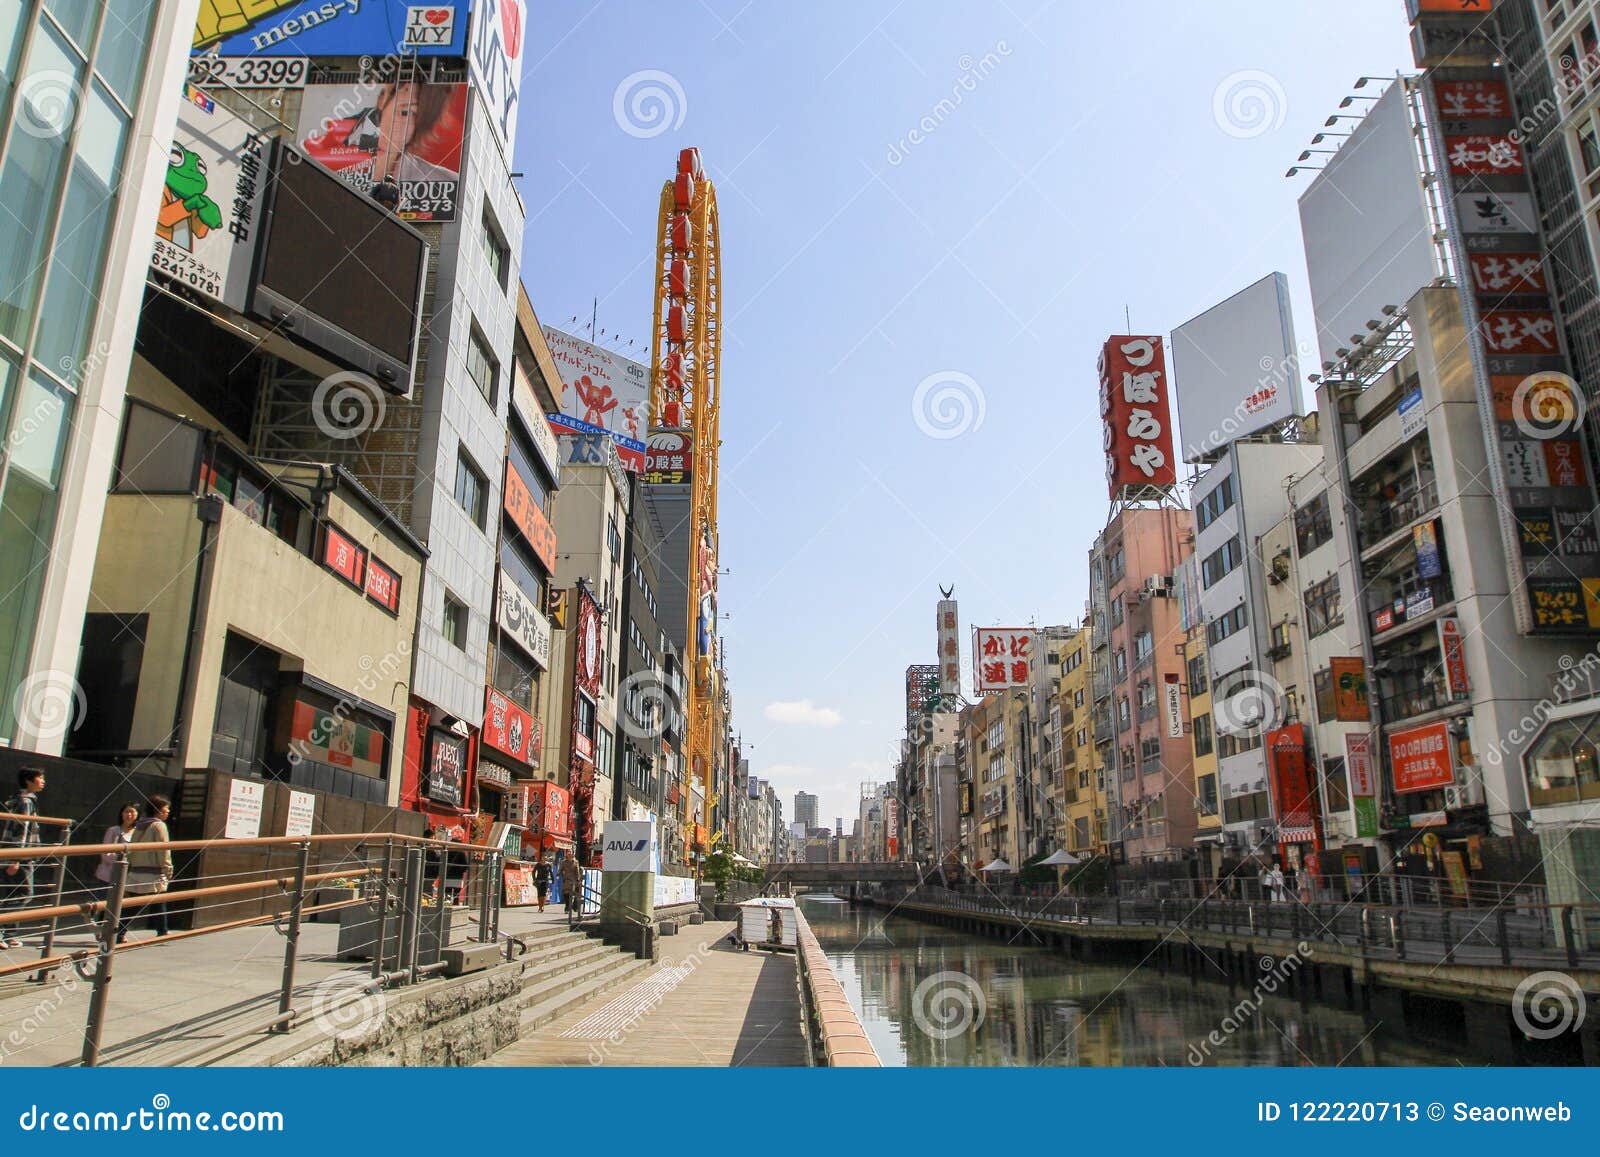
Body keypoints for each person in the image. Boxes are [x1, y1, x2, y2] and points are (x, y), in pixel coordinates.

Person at [1, 767, 46, 948]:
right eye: (40, 778)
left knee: (12, 893)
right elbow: (22, 830)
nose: (43, 781)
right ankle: (4, 931)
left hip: (15, 853)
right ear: (29, 780)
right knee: (24, 893)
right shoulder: (26, 802)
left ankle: (10, 933)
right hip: (21, 855)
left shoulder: (20, 799)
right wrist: (16, 858)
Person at [123, 796, 174, 939]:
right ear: (158, 810)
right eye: (166, 808)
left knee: (133, 905)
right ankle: (162, 931)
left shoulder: (139, 825)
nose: (168, 811)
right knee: (158, 901)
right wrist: (167, 867)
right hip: (153, 871)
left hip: (136, 871)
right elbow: (164, 849)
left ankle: (119, 932)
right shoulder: (159, 826)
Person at [95, 803, 141, 939]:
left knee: (124, 907)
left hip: (129, 877)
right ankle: (102, 932)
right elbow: (106, 852)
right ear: (121, 814)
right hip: (109, 875)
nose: (129, 815)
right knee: (106, 906)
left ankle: (119, 933)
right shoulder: (113, 830)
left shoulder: (138, 833)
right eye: (126, 812)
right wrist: (122, 859)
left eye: (132, 812)